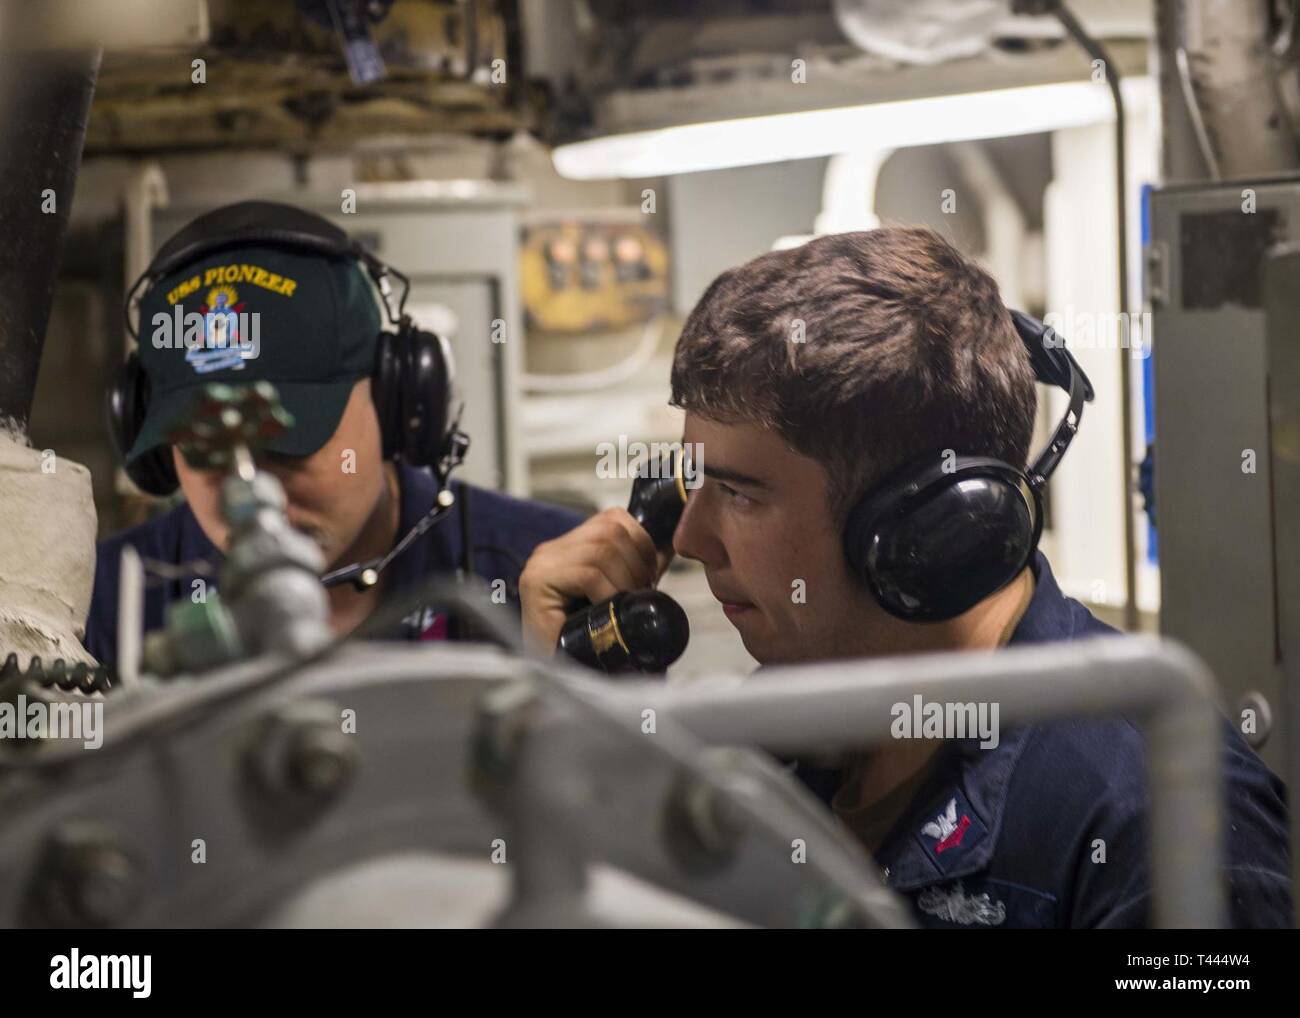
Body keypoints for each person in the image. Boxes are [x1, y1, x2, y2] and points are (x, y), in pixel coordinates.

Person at [518, 226, 1292, 928]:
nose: (689, 537)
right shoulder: (771, 736)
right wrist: (583, 730)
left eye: (741, 494)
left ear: (922, 532)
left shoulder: (1159, 826)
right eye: (694, 484)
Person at [86, 201, 580, 667]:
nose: (256, 491)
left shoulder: (547, 579)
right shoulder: (96, 605)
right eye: (208, 448)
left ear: (394, 402)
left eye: (287, 440)